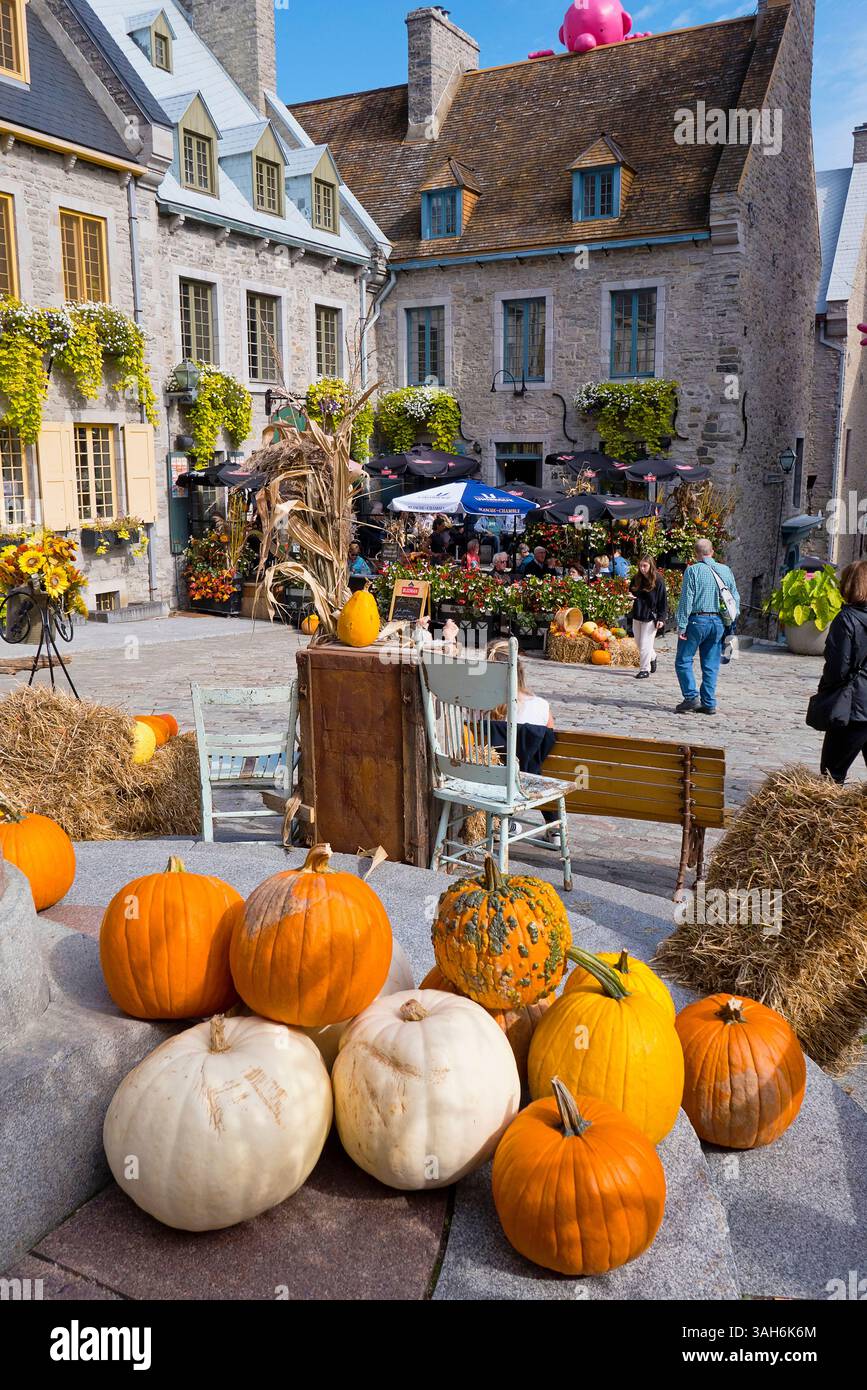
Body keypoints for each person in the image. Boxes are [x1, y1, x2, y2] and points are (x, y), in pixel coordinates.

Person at [487, 640, 560, 847]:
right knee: (540, 763)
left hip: (487, 783)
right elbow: (549, 744)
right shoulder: (541, 706)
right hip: (527, 781)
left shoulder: (478, 707)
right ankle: (554, 827)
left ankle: (506, 824)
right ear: (519, 672)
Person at [814, 560, 867, 783]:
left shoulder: (846, 620)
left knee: (831, 775)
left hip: (853, 707)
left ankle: (826, 818)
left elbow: (838, 668)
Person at [674, 538, 740, 714]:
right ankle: (709, 703)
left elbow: (687, 599)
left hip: (697, 621)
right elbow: (735, 598)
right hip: (718, 622)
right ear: (712, 551)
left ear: (696, 554)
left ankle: (690, 697)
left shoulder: (693, 571)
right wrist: (730, 621)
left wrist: (681, 625)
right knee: (711, 664)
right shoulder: (726, 570)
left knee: (683, 660)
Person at [630, 557, 667, 680]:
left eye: (645, 566)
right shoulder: (636, 578)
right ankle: (652, 657)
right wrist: (630, 596)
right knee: (639, 643)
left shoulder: (659, 581)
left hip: (651, 616)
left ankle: (644, 669)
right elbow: (632, 591)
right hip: (637, 613)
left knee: (645, 643)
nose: (642, 568)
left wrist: (661, 618)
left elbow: (662, 601)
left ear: (651, 566)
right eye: (640, 566)